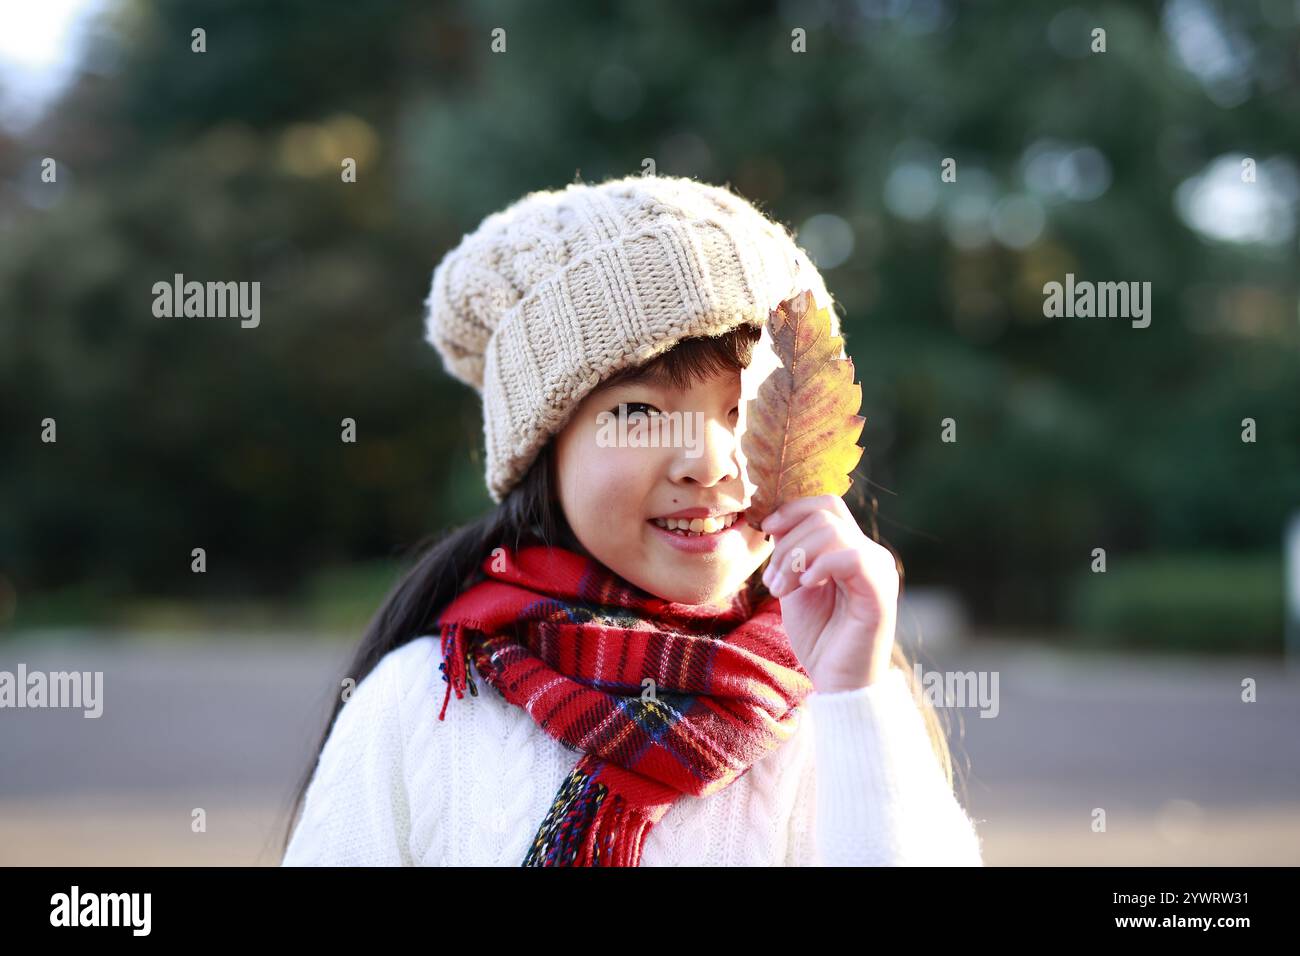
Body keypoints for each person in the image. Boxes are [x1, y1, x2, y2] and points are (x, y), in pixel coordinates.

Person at [280, 173, 984, 866]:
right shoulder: (422, 703)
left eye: (749, 410)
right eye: (639, 413)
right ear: (542, 449)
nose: (709, 464)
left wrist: (856, 697)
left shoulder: (833, 703)